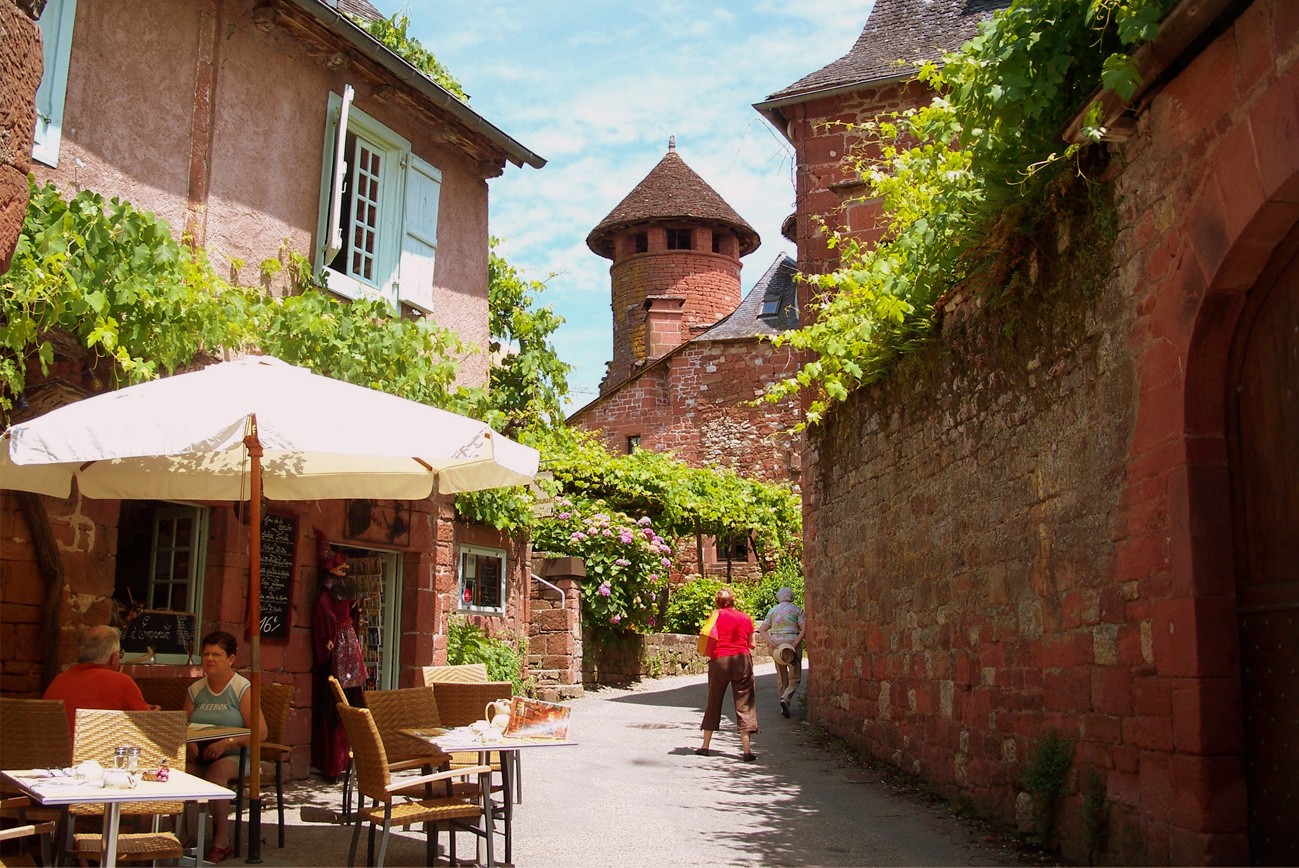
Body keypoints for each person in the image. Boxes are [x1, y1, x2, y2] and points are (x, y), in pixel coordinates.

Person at [184, 630, 266, 864]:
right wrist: (188, 744)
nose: (210, 659)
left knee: (215, 774)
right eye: (206, 653)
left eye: (217, 654)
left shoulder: (242, 688)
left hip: (236, 755)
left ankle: (222, 840)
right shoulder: (196, 690)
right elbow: (182, 724)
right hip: (200, 754)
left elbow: (260, 732)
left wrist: (226, 743)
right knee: (170, 772)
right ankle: (180, 835)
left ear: (231, 659)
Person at [311, 531, 368, 782]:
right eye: (340, 565)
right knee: (335, 703)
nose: (344, 568)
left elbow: (346, 616)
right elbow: (324, 615)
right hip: (340, 647)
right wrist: (330, 636)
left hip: (349, 645)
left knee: (352, 699)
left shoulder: (342, 589)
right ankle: (334, 762)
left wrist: (355, 615)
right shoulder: (327, 591)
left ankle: (348, 759)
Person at [43, 625, 155, 732]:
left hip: (55, 751)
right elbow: (147, 727)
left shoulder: (59, 680)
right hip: (99, 750)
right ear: (114, 658)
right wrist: (155, 715)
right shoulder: (122, 682)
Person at [697, 587, 759, 761]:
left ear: (717, 602)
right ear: (733, 600)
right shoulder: (745, 617)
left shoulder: (715, 616)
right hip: (742, 660)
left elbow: (707, 636)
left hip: (719, 660)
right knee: (744, 702)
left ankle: (705, 746)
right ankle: (746, 750)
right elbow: (752, 644)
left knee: (714, 700)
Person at [758, 586, 806, 718]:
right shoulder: (797, 610)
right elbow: (804, 629)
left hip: (776, 647)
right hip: (792, 645)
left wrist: (770, 642)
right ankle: (786, 698)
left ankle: (783, 701)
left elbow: (762, 629)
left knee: (781, 675)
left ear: (779, 598)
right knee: (795, 676)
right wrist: (795, 643)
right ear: (791, 597)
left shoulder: (773, 610)